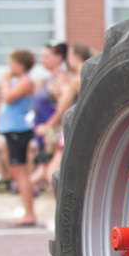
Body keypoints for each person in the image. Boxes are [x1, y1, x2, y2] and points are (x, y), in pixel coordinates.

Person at [0, 49, 39, 227]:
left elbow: (8, 97)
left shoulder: (26, 82)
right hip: (11, 130)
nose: (10, 67)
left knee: (20, 172)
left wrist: (6, 80)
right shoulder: (20, 81)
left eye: (12, 63)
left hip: (18, 131)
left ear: (20, 65)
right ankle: (27, 211)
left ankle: (29, 213)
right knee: (16, 171)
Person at [43, 43, 92, 193]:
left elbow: (64, 107)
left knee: (52, 174)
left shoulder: (77, 79)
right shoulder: (88, 75)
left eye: (69, 56)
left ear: (76, 58)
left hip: (71, 132)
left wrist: (59, 91)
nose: (67, 60)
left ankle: (63, 214)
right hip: (80, 130)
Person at [29, 42, 67, 193]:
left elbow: (63, 107)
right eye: (41, 56)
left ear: (58, 57)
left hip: (53, 132)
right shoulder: (49, 78)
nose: (42, 60)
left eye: (46, 56)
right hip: (42, 132)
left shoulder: (61, 78)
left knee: (49, 172)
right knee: (43, 169)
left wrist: (48, 126)